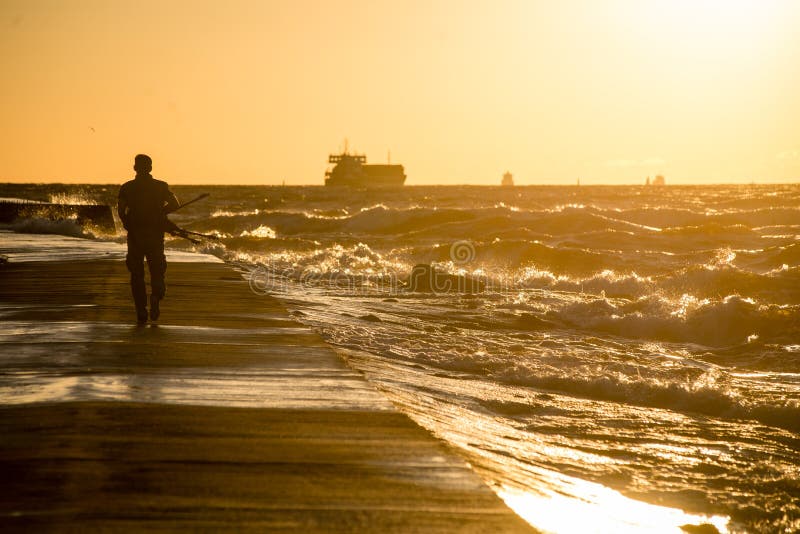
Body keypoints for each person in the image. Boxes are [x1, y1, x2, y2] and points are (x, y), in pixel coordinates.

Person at [117, 154, 179, 324]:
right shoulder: (161, 186)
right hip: (155, 236)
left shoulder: (127, 188)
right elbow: (175, 203)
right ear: (150, 168)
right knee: (157, 270)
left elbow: (121, 210)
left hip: (136, 236)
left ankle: (141, 310)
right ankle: (156, 298)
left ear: (135, 168)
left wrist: (126, 223)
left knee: (136, 274)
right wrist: (161, 214)